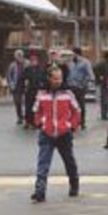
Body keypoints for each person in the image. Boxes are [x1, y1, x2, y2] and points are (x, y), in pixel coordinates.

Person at [31, 65, 81, 202]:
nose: (58, 81)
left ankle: (74, 183)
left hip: (64, 133)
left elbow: (77, 111)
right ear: (49, 78)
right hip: (46, 133)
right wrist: (40, 124)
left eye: (60, 78)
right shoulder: (41, 94)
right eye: (55, 78)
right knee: (43, 163)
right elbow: (36, 111)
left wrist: (71, 126)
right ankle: (39, 191)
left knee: (69, 161)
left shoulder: (68, 94)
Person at [67, 47, 94, 128]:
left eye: (73, 54)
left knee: (81, 105)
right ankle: (73, 121)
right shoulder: (70, 63)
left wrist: (83, 83)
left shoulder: (85, 62)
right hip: (71, 87)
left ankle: (82, 122)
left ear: (77, 54)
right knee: (71, 105)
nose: (72, 56)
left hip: (80, 87)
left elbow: (90, 75)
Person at [22, 53, 45, 129]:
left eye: (35, 61)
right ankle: (27, 121)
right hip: (29, 90)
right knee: (28, 107)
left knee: (35, 107)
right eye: (32, 61)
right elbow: (23, 78)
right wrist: (25, 83)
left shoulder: (40, 69)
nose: (34, 62)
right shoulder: (27, 69)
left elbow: (43, 79)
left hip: (37, 90)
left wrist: (42, 86)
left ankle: (35, 122)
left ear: (37, 61)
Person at [6, 49, 27, 125]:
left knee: (27, 103)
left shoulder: (27, 64)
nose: (19, 57)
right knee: (17, 102)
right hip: (16, 86)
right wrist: (11, 85)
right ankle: (20, 117)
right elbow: (9, 76)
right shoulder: (12, 65)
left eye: (20, 55)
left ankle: (27, 117)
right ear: (15, 57)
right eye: (17, 56)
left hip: (25, 86)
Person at [94, 51, 108, 120]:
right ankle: (104, 114)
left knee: (106, 99)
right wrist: (99, 76)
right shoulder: (103, 63)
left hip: (107, 83)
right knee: (105, 99)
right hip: (105, 83)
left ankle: (105, 114)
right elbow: (95, 68)